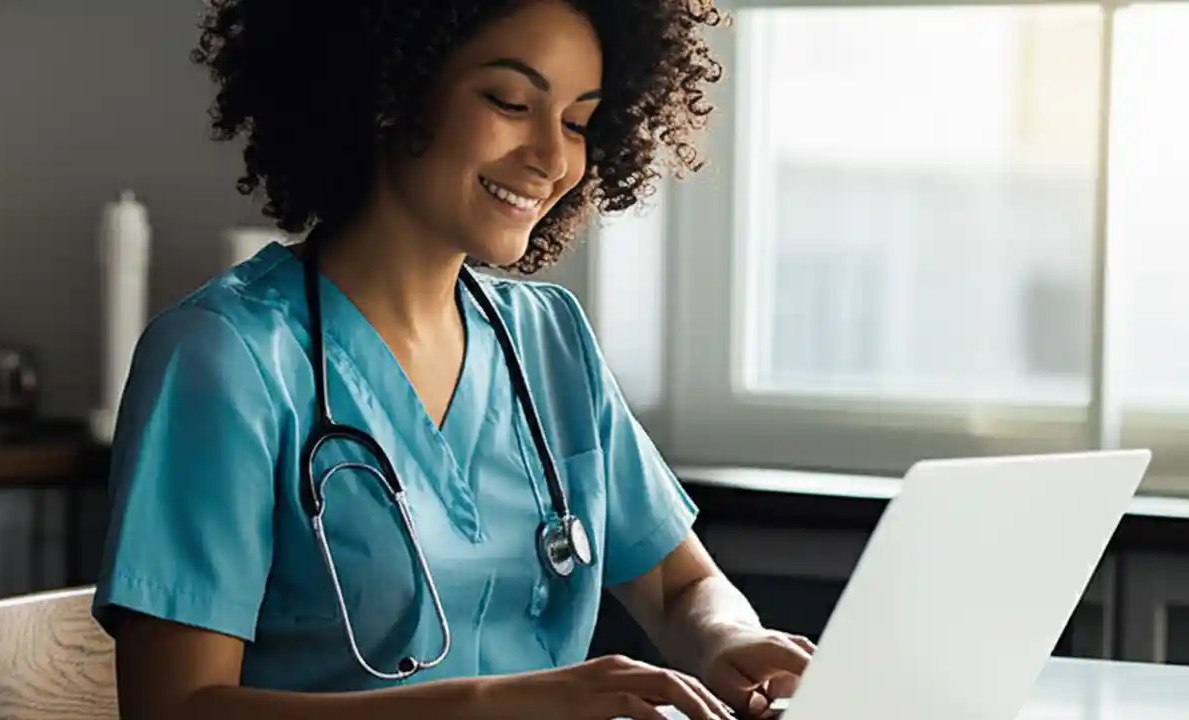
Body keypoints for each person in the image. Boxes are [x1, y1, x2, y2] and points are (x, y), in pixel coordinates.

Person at [91, 1, 814, 718]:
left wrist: (727, 640)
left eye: (577, 123)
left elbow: (677, 585)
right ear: (389, 92)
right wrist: (488, 707)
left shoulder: (549, 340)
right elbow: (173, 707)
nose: (552, 158)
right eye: (510, 102)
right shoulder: (226, 356)